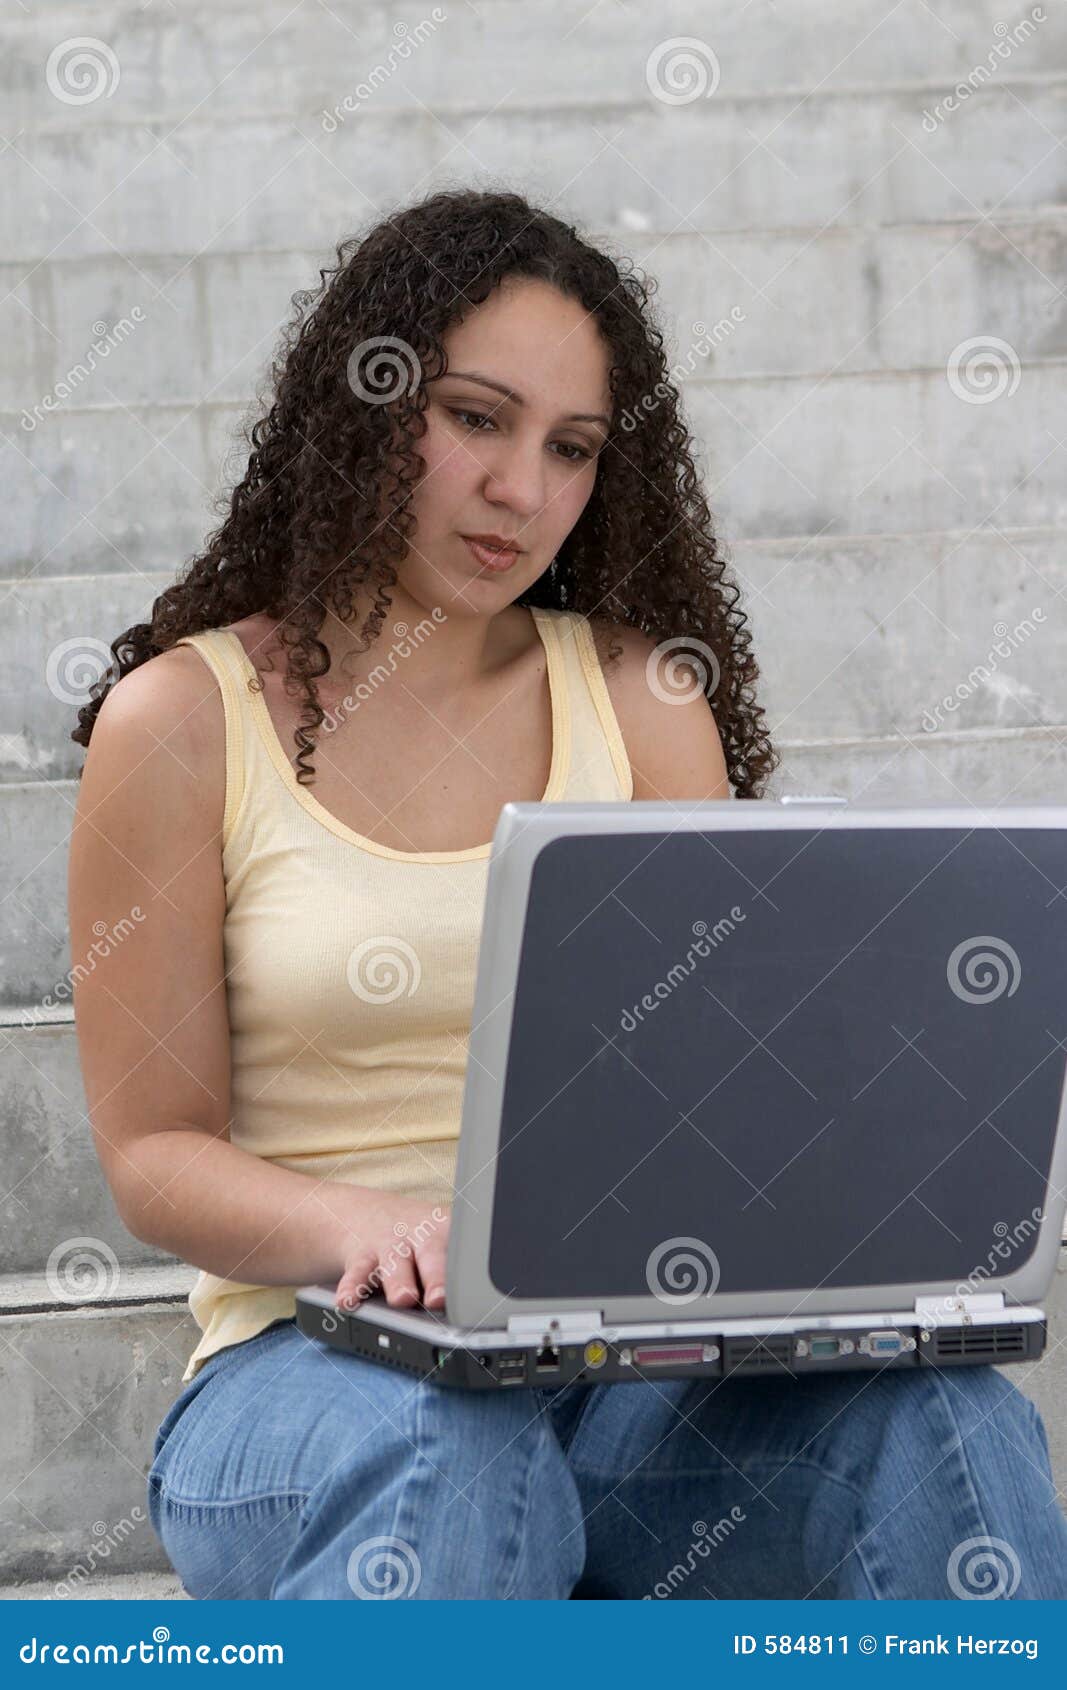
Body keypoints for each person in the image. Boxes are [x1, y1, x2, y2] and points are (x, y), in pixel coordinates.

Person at [68, 187, 1067, 1600]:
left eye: (573, 448)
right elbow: (154, 1152)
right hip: (309, 1377)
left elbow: (735, 1091)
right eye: (476, 418)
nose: (522, 489)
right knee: (454, 1448)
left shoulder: (645, 702)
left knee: (944, 1420)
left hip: (625, 1381)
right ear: (365, 403)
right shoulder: (178, 720)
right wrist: (370, 1227)